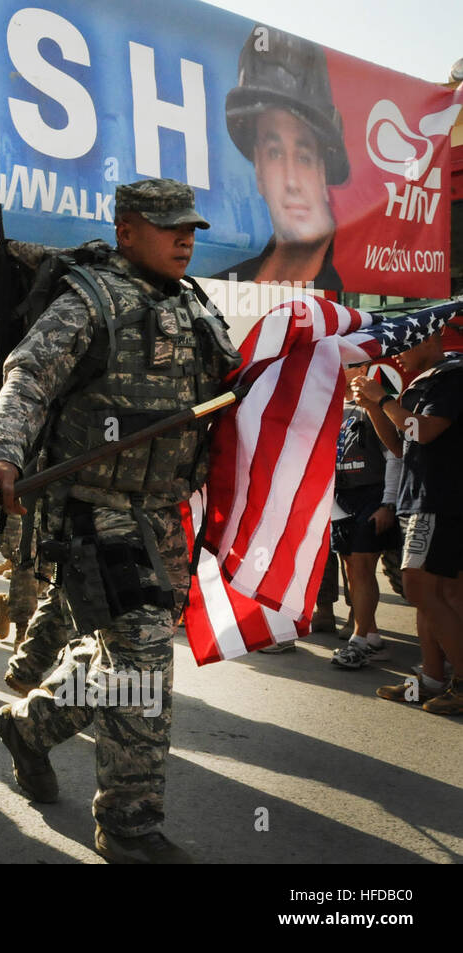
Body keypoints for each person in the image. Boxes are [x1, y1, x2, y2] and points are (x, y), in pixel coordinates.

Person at [0, 178, 241, 863]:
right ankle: (128, 825)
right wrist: (1, 451)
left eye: (191, 227)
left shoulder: (194, 305)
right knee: (145, 659)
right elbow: (27, 377)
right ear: (127, 230)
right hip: (96, 513)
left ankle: (29, 728)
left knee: (120, 661)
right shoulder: (89, 300)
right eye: (169, 226)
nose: (186, 237)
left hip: (162, 516)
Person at [353, 330, 463, 714]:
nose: (396, 355)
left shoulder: (451, 376)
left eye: (404, 346)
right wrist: (372, 407)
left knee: (419, 588)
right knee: (435, 596)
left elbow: (423, 430)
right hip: (420, 499)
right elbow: (401, 444)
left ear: (431, 340)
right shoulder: (422, 383)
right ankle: (433, 680)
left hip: (439, 500)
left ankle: (460, 683)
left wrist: (382, 398)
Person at [214, 25, 347, 290]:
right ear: (259, 172)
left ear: (323, 173)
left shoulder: (345, 296)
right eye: (274, 154)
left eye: (304, 157)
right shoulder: (222, 287)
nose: (291, 182)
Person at [328, 366, 402, 669]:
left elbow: (394, 455)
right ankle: (372, 638)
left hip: (372, 495)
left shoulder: (373, 405)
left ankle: (358, 640)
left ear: (360, 368)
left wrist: (388, 503)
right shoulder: (331, 407)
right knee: (352, 568)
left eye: (346, 363)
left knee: (361, 565)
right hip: (340, 498)